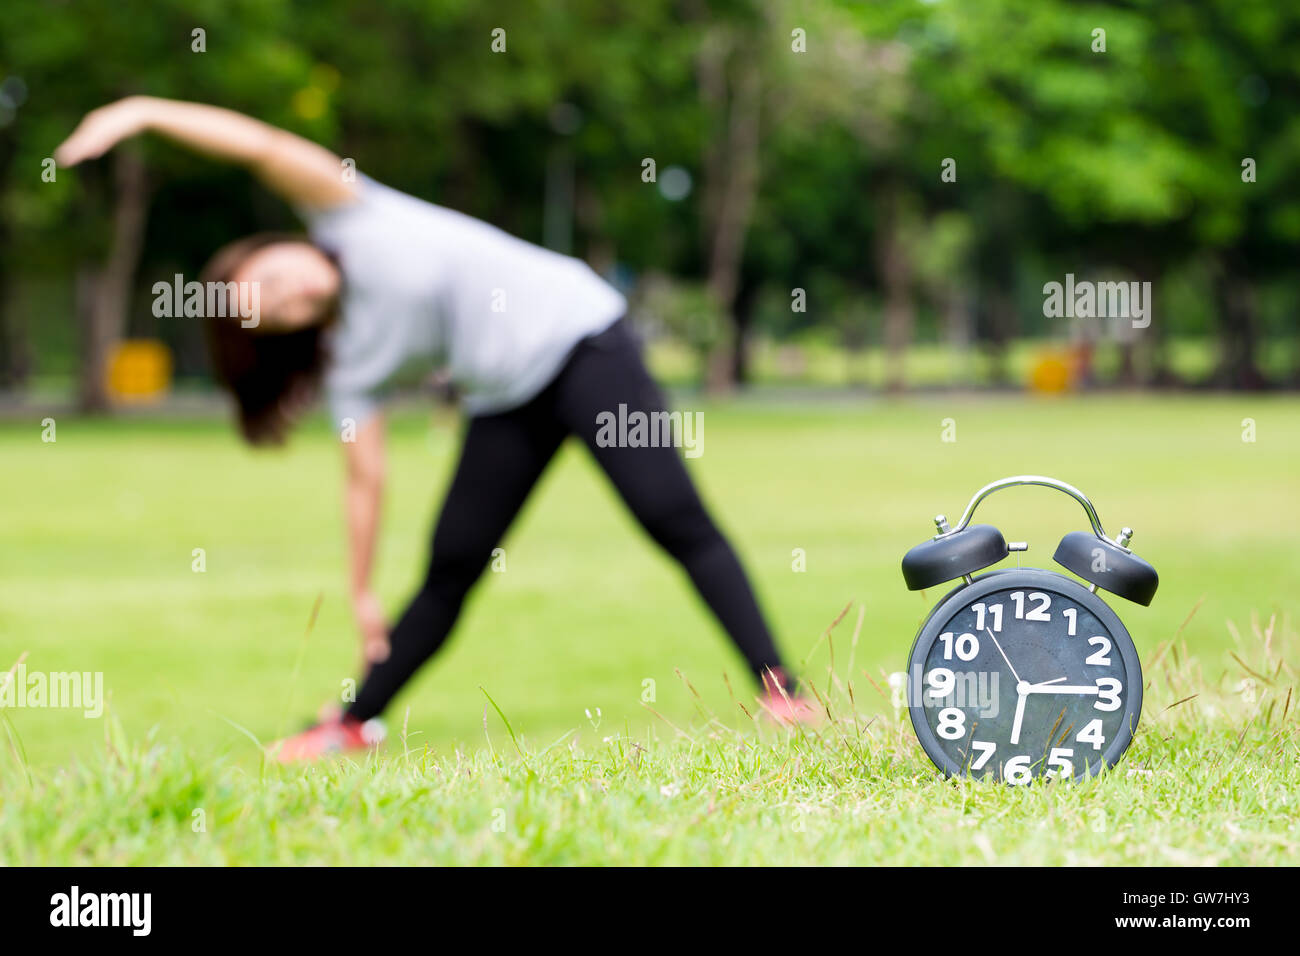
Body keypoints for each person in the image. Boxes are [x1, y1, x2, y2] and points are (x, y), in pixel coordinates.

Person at [56, 96, 816, 760]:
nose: (292, 294)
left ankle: (782, 692)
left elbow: (260, 146)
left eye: (276, 278)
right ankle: (352, 723)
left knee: (672, 517)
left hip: (585, 341)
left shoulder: (347, 208)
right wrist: (359, 590)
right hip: (506, 395)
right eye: (277, 311)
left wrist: (145, 113)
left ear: (278, 245)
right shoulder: (350, 361)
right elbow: (365, 476)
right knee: (452, 564)